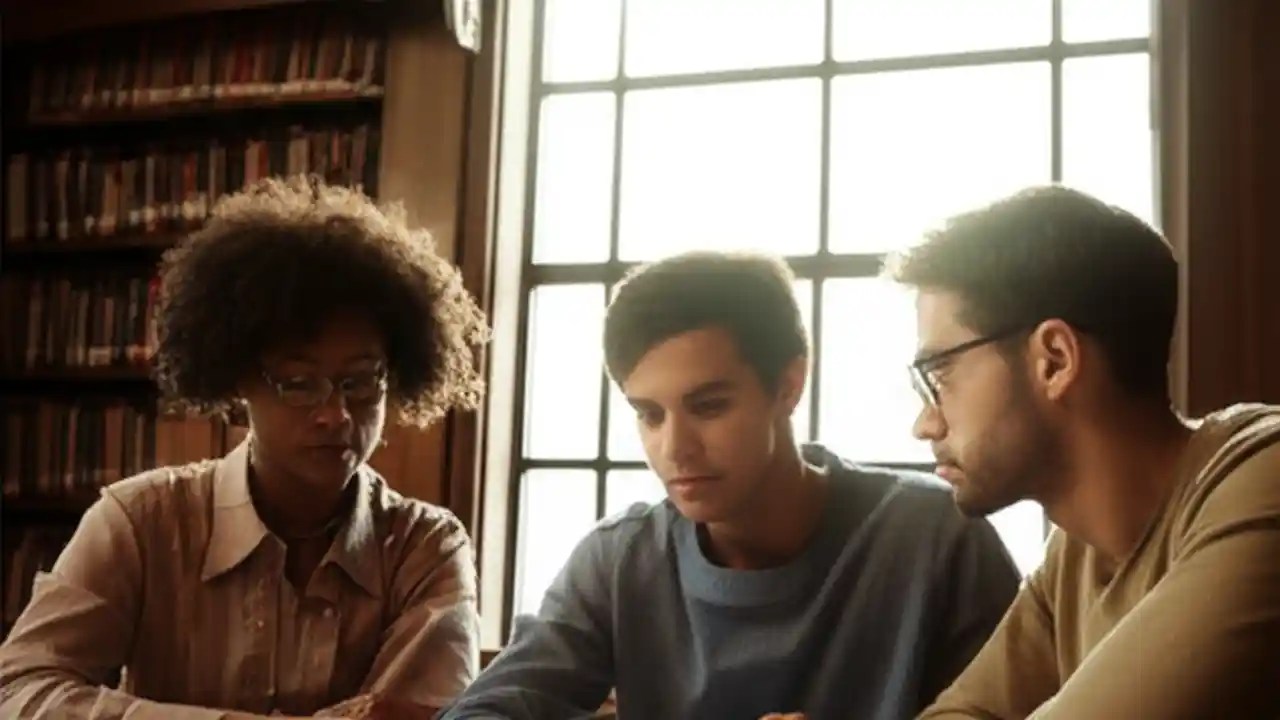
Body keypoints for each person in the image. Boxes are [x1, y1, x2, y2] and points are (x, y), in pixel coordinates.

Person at [442, 251, 1022, 719]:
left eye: (710, 405)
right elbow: (488, 710)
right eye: (650, 414)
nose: (676, 448)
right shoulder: (620, 558)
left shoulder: (938, 538)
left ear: (789, 384)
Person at [0, 176, 490, 719]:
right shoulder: (141, 523)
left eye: (360, 381)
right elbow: (21, 691)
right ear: (237, 387)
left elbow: (425, 715)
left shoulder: (425, 548)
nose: (336, 414)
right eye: (299, 384)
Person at [885, 185, 1280, 719]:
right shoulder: (1072, 558)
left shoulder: (1262, 476)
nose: (924, 423)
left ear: (1054, 360)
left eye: (941, 376)